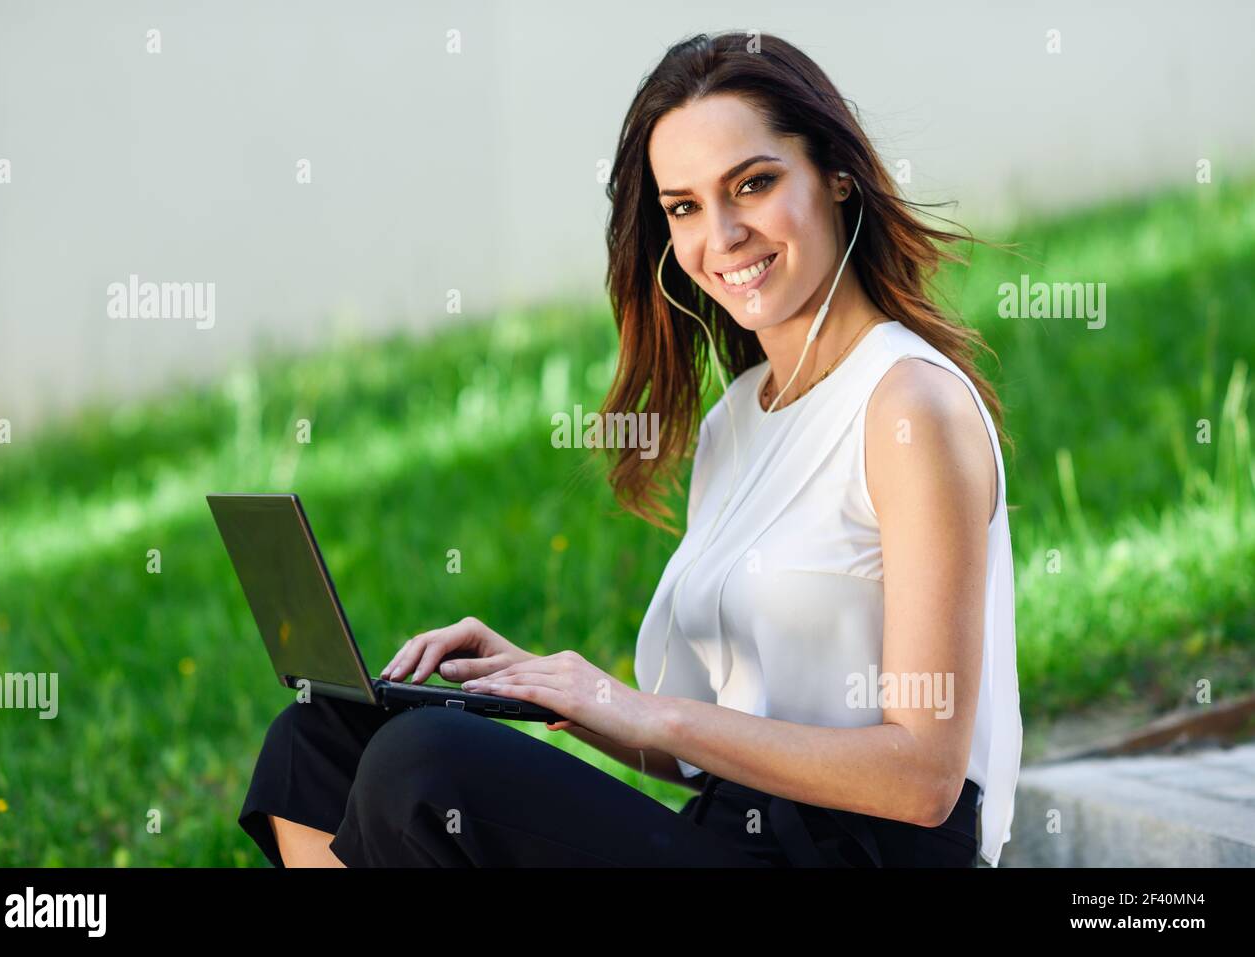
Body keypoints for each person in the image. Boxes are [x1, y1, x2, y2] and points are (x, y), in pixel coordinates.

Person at [238, 29, 1022, 868]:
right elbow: (694, 749)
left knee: (422, 765)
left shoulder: (910, 407)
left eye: (752, 184)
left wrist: (630, 704)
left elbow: (924, 778)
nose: (720, 236)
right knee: (316, 743)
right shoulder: (738, 422)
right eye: (684, 207)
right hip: (726, 837)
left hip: (861, 857)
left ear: (835, 173)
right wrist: (552, 688)